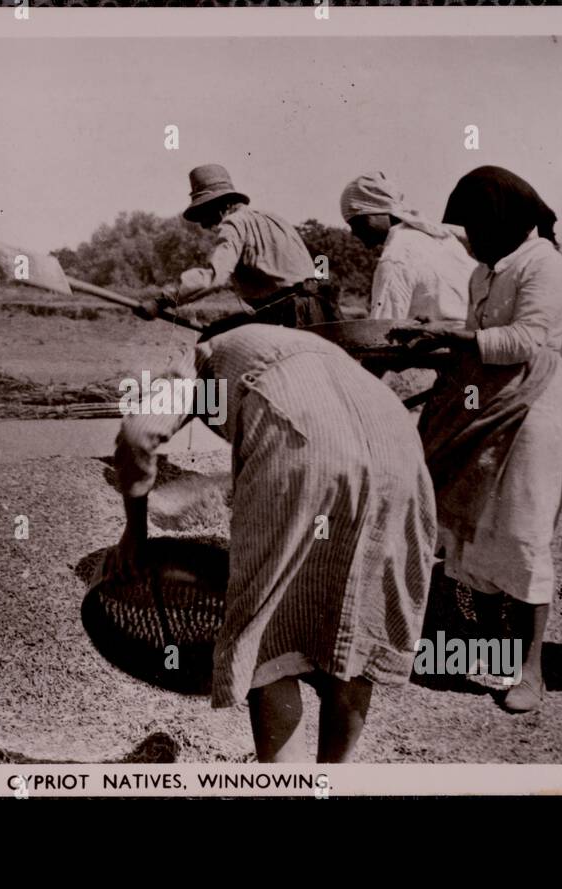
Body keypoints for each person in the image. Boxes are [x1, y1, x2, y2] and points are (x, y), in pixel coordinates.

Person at [109, 324, 436, 762]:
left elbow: (138, 435)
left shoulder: (198, 359)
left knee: (265, 630)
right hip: (399, 444)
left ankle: (286, 785)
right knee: (357, 624)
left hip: (297, 436)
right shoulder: (316, 352)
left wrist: (135, 531)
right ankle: (330, 784)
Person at [390, 166, 562, 713]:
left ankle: (532, 669)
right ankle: (488, 647)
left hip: (531, 404)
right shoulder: (485, 272)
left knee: (522, 529)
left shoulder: (546, 266)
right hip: (484, 398)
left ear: (506, 221)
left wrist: (450, 333)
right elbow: (477, 340)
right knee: (477, 524)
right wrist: (431, 344)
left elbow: (525, 341)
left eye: (475, 228)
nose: (470, 240)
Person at [136, 164, 340, 329]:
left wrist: (162, 301)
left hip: (288, 314)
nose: (204, 225)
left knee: (214, 339)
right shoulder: (275, 218)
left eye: (204, 214)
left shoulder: (233, 223)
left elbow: (215, 277)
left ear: (221, 206)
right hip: (317, 310)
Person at [340, 171, 474, 324]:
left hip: (445, 345)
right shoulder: (443, 240)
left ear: (379, 212)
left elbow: (380, 332)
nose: (354, 232)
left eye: (357, 222)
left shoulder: (396, 257)